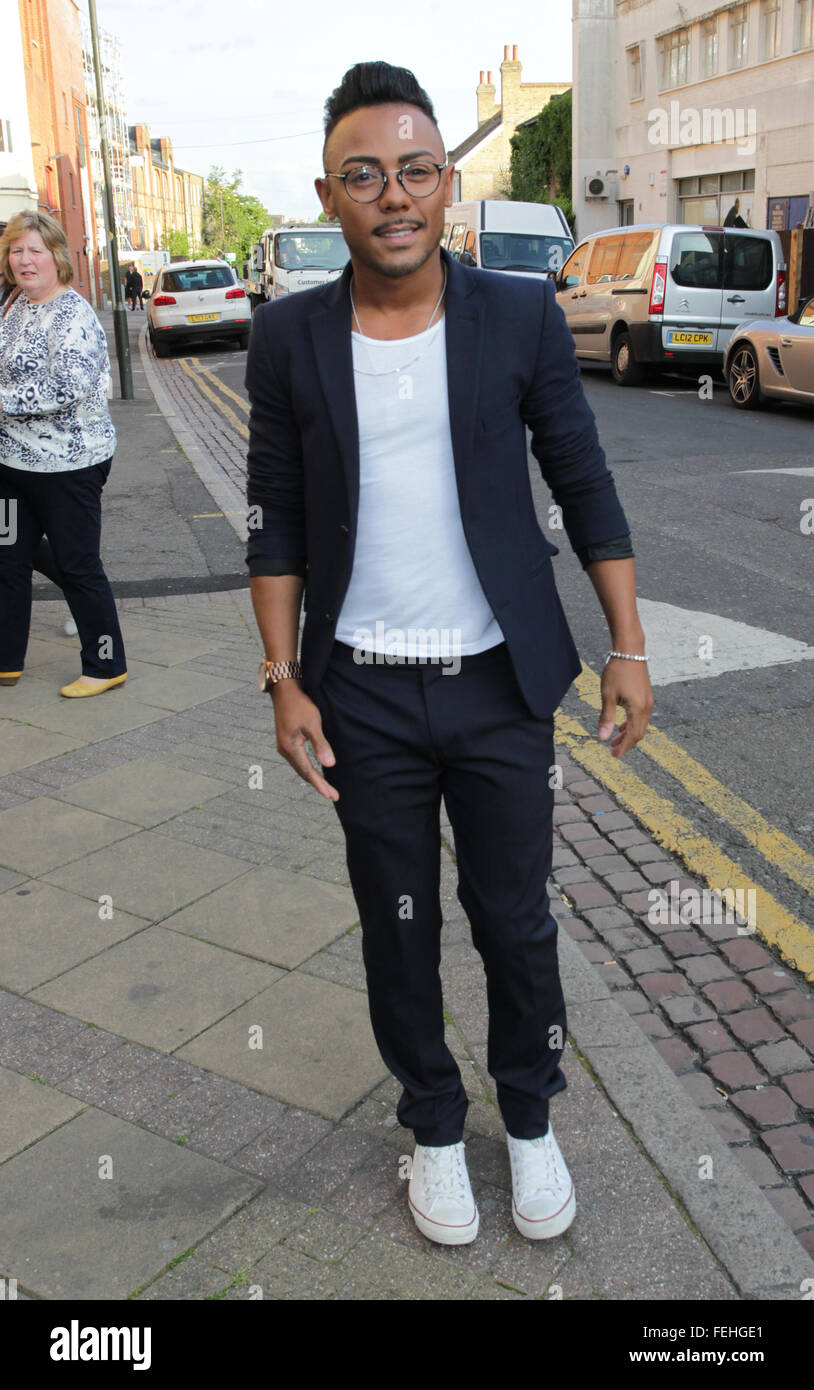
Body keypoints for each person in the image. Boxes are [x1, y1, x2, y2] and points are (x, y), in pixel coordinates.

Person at [244, 61, 653, 1248]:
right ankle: (434, 1128)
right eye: (364, 175)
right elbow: (271, 513)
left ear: (446, 184)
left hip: (496, 681)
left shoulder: (515, 314)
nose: (393, 195)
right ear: (330, 195)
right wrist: (285, 680)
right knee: (397, 919)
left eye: (414, 170)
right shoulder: (286, 336)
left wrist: (625, 640)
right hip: (360, 686)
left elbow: (582, 480)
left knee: (514, 917)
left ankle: (528, 1119)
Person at [0, 210, 127, 695]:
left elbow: (66, 387)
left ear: (56, 256)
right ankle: (7, 658)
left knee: (77, 565)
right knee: (8, 559)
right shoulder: (15, 302)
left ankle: (106, 664)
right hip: (11, 465)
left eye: (35, 250)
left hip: (69, 466)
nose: (24, 260)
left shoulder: (73, 314)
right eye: (16, 250)